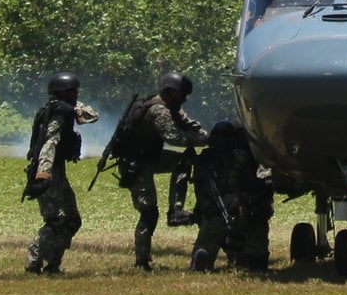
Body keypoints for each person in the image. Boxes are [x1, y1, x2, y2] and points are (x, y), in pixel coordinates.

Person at [113, 71, 209, 270]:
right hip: (136, 165)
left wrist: (206, 136)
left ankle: (176, 210)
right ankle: (142, 261)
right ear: (171, 92)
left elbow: (191, 126)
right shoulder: (159, 110)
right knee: (149, 213)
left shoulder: (170, 106)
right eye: (181, 94)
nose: (183, 98)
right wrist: (202, 139)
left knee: (183, 160)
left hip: (149, 159)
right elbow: (174, 137)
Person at [23, 72, 99, 275]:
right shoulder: (56, 113)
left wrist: (73, 109)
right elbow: (49, 144)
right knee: (56, 220)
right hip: (48, 171)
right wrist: (43, 175)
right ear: (63, 93)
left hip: (58, 171)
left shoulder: (65, 109)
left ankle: (53, 264)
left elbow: (92, 116)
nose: (76, 93)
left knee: (72, 220)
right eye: (72, 91)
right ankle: (34, 262)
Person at [189, 120, 274, 272]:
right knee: (256, 231)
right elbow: (253, 184)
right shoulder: (242, 157)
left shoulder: (204, 160)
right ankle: (253, 260)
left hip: (213, 213)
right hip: (241, 211)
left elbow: (199, 189)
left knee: (207, 242)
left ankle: (205, 257)